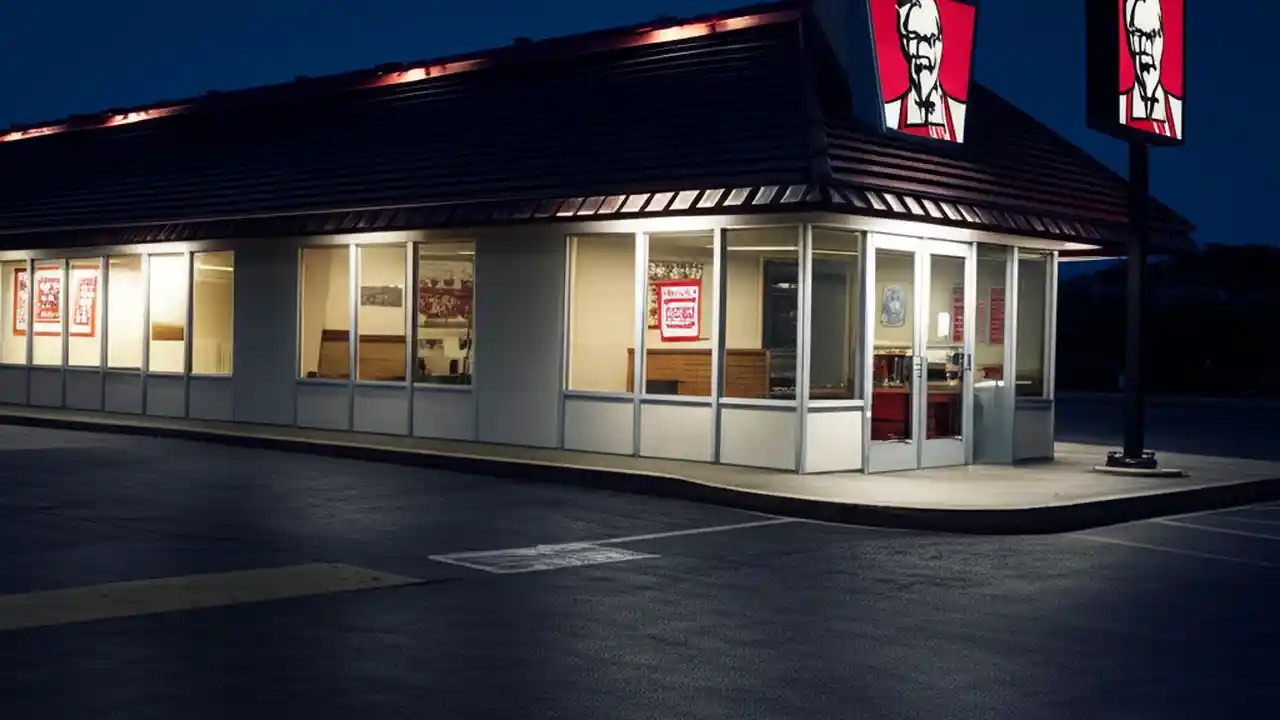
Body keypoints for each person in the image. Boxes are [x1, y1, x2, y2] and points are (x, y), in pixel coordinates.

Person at [882, 0, 967, 142]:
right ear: (905, 44)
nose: (922, 51)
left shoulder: (959, 113)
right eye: (914, 37)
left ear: (940, 43)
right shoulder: (889, 112)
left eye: (930, 38)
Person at [1119, 0, 1182, 140]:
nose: (1145, 47)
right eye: (1138, 34)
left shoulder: (1177, 109)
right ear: (1129, 39)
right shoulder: (1120, 107)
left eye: (1152, 35)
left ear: (1162, 39)